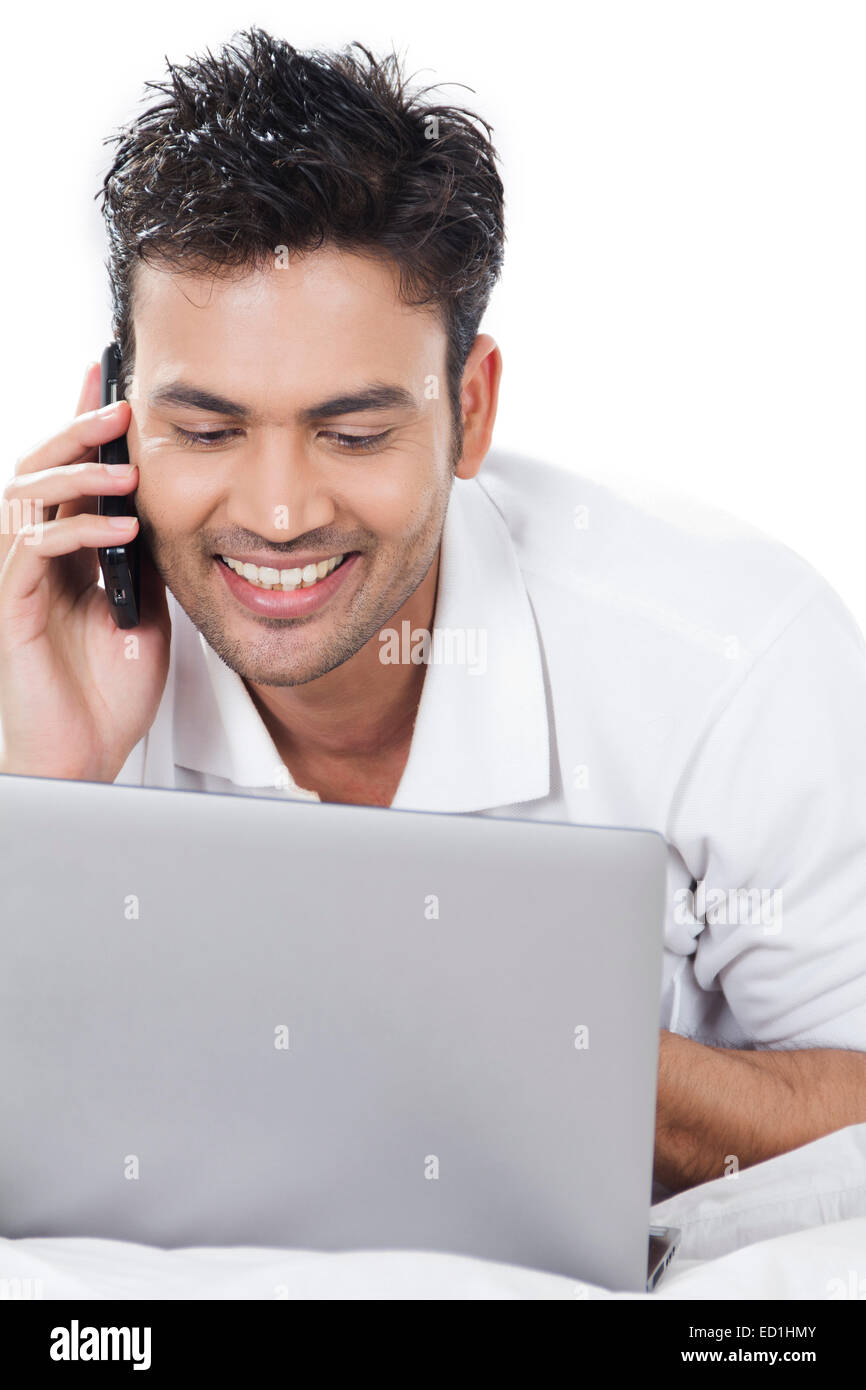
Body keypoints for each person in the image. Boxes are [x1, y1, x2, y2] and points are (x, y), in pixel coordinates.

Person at [2, 27, 866, 1197]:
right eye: (204, 431)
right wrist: (47, 802)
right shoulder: (36, 650)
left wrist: (515, 1043)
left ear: (471, 407)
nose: (277, 511)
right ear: (112, 415)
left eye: (353, 433)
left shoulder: (731, 659)